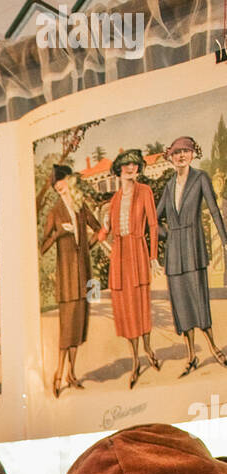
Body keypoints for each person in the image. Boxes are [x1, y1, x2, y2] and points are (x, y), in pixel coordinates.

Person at [156, 135, 227, 376]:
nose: (181, 155)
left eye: (185, 151)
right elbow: (154, 220)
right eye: (176, 153)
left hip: (194, 250)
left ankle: (214, 347)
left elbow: (215, 210)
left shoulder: (201, 178)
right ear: (171, 158)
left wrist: (225, 240)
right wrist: (169, 235)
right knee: (182, 306)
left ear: (193, 154)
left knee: (199, 301)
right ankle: (191, 356)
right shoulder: (168, 186)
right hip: (175, 255)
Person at [98, 149, 160, 389]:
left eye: (135, 164)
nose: (131, 168)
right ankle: (135, 360)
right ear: (118, 170)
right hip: (120, 255)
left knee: (141, 304)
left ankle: (148, 348)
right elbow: (106, 233)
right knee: (125, 308)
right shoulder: (114, 200)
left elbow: (153, 226)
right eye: (126, 165)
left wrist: (153, 257)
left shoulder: (144, 192)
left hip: (137, 250)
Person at [40, 164, 100, 398]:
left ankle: (72, 374)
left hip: (83, 276)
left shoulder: (79, 205)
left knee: (79, 328)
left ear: (69, 180)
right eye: (55, 184)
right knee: (66, 331)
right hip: (66, 279)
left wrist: (89, 248)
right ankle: (58, 374)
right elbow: (42, 246)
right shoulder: (55, 212)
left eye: (61, 181)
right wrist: (59, 233)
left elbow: (98, 229)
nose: (58, 186)